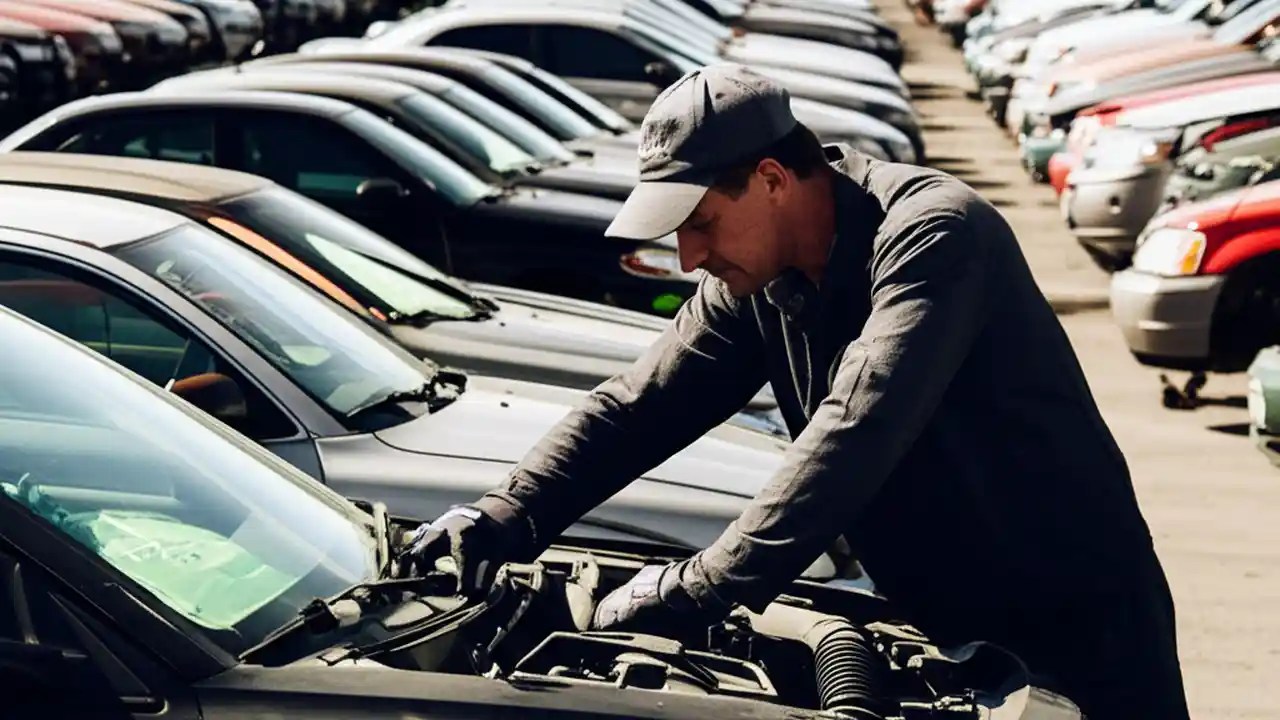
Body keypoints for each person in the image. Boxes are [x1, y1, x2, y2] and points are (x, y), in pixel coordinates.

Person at [399, 62, 1190, 719]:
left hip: (1076, 629)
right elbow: (636, 409)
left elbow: (856, 428)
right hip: (940, 631)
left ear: (772, 179)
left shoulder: (933, 235)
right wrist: (506, 515)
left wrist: (695, 588)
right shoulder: (758, 282)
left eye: (700, 221)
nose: (685, 256)